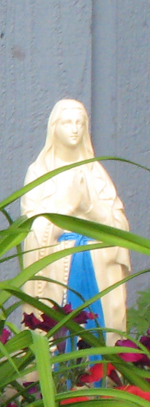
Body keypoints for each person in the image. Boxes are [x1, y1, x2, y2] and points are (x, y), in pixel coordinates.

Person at [21, 99, 130, 342]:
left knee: (98, 334)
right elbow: (32, 230)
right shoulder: (39, 174)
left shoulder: (96, 173)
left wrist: (91, 209)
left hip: (98, 267)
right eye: (68, 122)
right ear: (54, 127)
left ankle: (100, 375)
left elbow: (118, 227)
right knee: (60, 338)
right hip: (59, 271)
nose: (75, 129)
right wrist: (68, 206)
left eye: (80, 123)